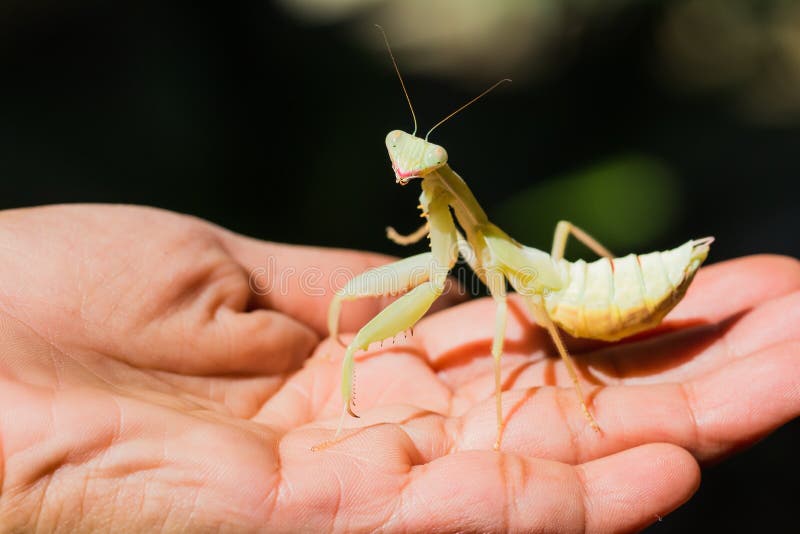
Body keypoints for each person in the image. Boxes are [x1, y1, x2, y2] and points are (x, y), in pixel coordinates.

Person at [0, 204, 797, 531]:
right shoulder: (460, 231)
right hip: (569, 284)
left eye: (420, 175)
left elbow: (502, 306)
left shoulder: (487, 255)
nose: (409, 178)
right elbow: (446, 252)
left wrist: (569, 387)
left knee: (519, 311)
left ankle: (585, 379)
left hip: (605, 296)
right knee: (515, 286)